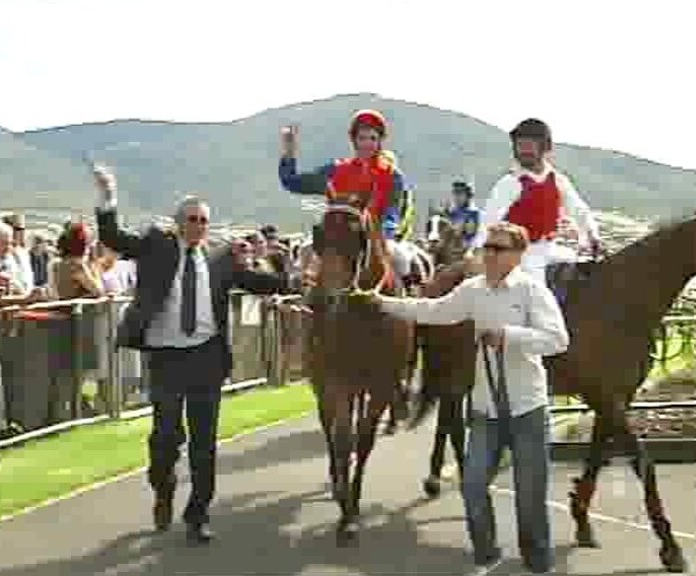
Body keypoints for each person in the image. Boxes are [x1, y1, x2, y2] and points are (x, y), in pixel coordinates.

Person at [92, 164, 288, 544]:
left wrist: (295, 276)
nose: (199, 225)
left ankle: (198, 513)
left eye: (204, 220)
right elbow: (113, 236)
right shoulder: (156, 245)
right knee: (165, 437)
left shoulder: (220, 258)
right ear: (179, 222)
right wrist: (108, 196)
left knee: (204, 442)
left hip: (206, 359)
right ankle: (163, 490)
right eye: (193, 219)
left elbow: (258, 283)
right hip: (167, 358)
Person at [369, 221, 568, 574]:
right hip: (485, 409)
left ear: (517, 255)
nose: (488, 254)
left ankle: (537, 562)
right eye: (487, 247)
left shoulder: (532, 292)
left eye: (498, 248)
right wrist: (381, 302)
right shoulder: (472, 290)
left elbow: (557, 340)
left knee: (530, 496)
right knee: (473, 486)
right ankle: (486, 554)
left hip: (528, 411)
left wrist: (509, 335)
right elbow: (433, 311)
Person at [277, 109, 420, 289]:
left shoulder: (392, 174)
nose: (367, 144)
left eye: (372, 138)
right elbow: (292, 183)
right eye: (362, 138)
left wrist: (379, 233)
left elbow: (392, 211)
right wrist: (289, 153)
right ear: (354, 140)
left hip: (375, 234)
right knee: (306, 250)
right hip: (336, 233)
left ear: (380, 141)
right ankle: (302, 302)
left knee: (401, 258)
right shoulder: (336, 170)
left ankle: (410, 295)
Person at [470, 118, 602, 287]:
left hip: (549, 247)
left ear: (545, 147)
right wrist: (479, 251)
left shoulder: (558, 180)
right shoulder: (510, 182)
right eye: (519, 146)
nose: (523, 151)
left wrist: (593, 236)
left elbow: (579, 210)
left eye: (528, 145)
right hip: (518, 253)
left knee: (583, 268)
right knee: (536, 291)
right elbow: (489, 220)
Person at [446, 179, 483, 248]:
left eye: (460, 194)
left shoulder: (472, 212)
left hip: (469, 247)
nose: (456, 197)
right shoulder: (452, 212)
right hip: (452, 246)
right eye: (455, 194)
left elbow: (470, 234)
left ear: (467, 196)